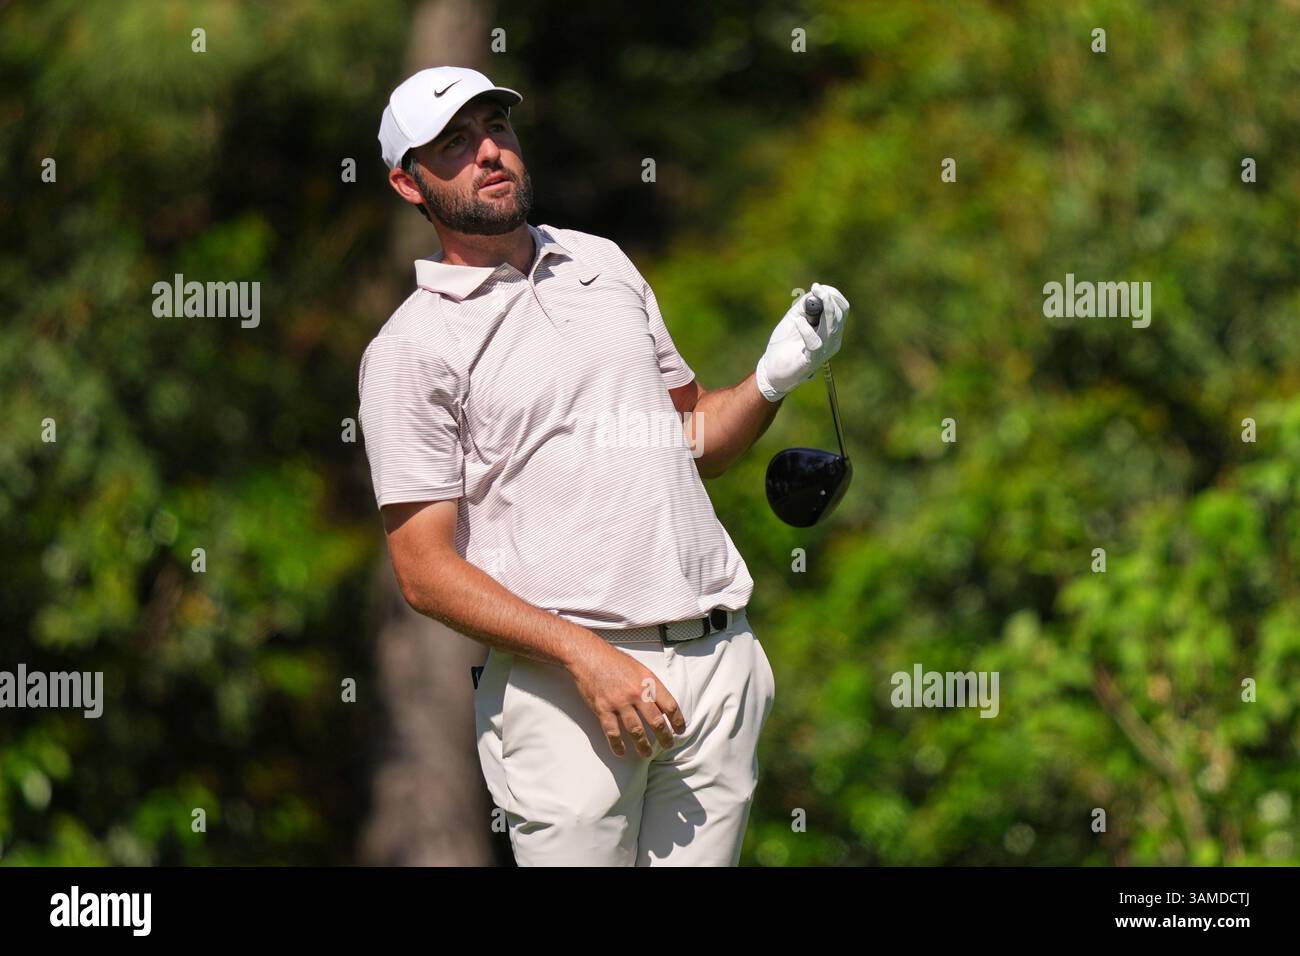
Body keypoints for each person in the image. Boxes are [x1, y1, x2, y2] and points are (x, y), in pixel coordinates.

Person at [360, 66, 849, 866]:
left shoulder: (603, 263)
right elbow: (423, 572)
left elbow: (696, 437)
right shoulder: (410, 350)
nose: (489, 152)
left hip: (715, 662)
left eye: (497, 129)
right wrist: (584, 656)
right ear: (408, 184)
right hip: (565, 693)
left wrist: (773, 378)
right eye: (454, 143)